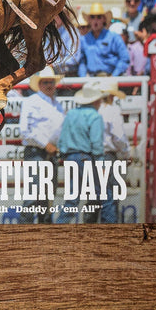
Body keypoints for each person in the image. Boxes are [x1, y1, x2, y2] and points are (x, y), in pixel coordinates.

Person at [17, 67, 64, 224]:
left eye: (51, 82)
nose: (49, 85)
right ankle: (23, 235)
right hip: (36, 153)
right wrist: (45, 145)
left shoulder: (57, 104)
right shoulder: (31, 101)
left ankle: (45, 234)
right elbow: (24, 131)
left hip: (51, 154)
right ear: (40, 84)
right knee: (33, 195)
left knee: (48, 197)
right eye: (46, 82)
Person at [53, 82, 105, 224]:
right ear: (96, 100)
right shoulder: (95, 116)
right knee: (97, 195)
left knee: (72, 198)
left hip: (70, 157)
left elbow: (62, 139)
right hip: (86, 158)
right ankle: (90, 228)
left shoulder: (71, 114)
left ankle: (58, 228)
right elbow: (96, 143)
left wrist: (64, 155)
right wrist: (101, 164)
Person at [97, 84, 131, 223]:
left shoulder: (93, 110)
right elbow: (118, 136)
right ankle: (110, 228)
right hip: (108, 156)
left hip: (93, 156)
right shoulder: (112, 111)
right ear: (111, 96)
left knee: (98, 194)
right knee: (110, 195)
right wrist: (126, 153)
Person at [77, 3, 130, 77]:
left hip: (109, 76)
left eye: (99, 17)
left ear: (104, 19)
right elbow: (82, 61)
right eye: (92, 17)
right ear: (89, 20)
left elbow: (124, 58)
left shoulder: (114, 37)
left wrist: (114, 76)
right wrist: (83, 77)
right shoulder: (84, 39)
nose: (95, 20)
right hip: (90, 78)